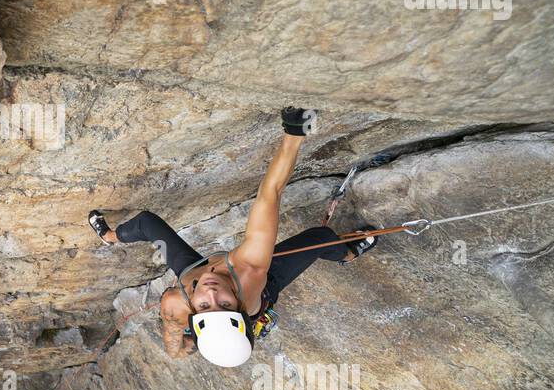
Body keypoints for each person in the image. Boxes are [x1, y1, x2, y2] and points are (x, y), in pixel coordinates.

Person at [88, 107, 377, 364]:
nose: (211, 293)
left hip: (192, 271)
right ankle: (348, 254)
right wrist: (295, 131)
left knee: (147, 224)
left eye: (204, 305)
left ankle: (109, 237)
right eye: (224, 304)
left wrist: (182, 349)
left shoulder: (175, 305)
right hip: (265, 286)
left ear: (193, 313)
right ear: (238, 305)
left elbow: (173, 344)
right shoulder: (251, 269)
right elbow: (269, 195)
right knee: (320, 237)